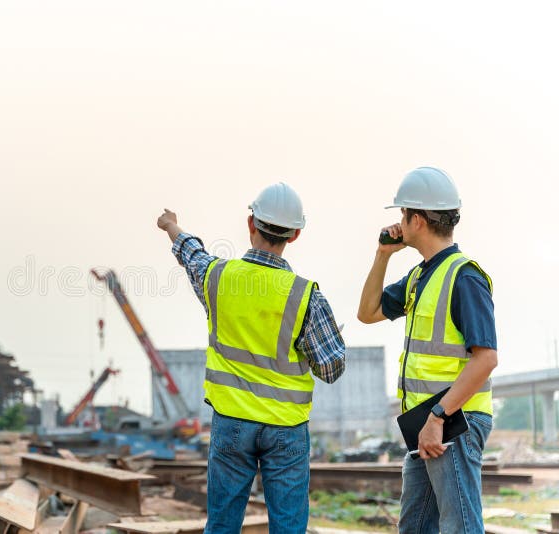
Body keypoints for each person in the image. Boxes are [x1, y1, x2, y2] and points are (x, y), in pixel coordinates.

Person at [157, 182, 346, 534]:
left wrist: (171, 225)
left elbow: (191, 254)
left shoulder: (219, 277)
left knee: (222, 525)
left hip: (231, 423)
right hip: (286, 429)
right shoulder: (305, 296)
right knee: (288, 528)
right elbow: (332, 368)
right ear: (295, 235)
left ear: (251, 224)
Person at [357, 167, 497, 533]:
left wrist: (438, 418)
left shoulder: (464, 277)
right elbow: (367, 312)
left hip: (453, 422)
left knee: (459, 527)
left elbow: (487, 359)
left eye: (402, 215)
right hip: (428, 423)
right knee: (415, 528)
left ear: (416, 220)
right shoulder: (421, 277)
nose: (398, 223)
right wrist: (383, 254)